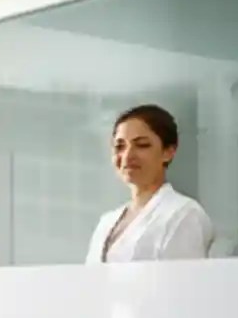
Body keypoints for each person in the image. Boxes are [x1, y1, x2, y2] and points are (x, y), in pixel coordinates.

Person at [86, 104, 214, 263]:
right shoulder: (106, 222)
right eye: (120, 146)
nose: (127, 156)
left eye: (142, 145)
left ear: (168, 152)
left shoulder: (183, 215)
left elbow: (184, 284)